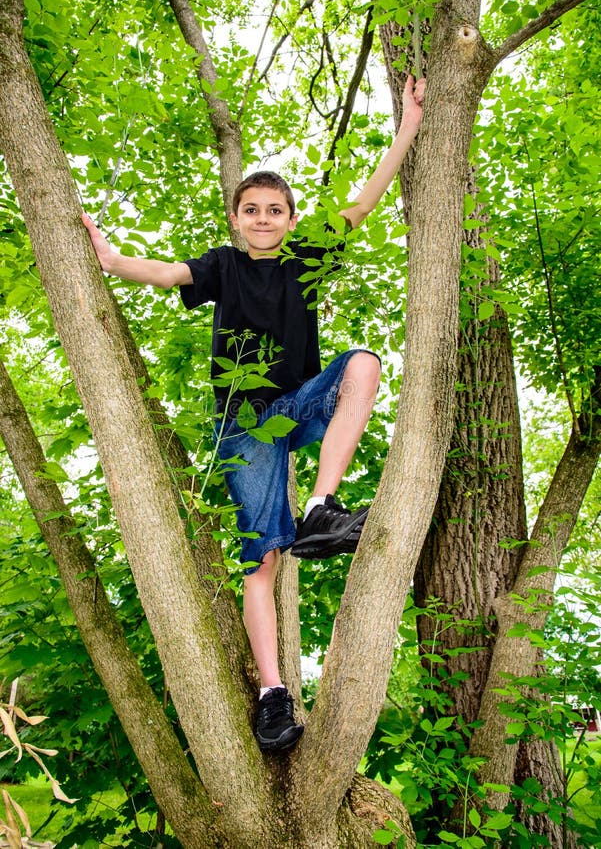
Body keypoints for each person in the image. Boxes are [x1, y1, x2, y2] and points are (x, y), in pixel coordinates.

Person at [82, 74, 425, 753]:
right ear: (234, 219)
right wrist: (104, 252)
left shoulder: (306, 258)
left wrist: (408, 127)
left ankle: (323, 505)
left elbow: (366, 199)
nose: (263, 219)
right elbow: (156, 273)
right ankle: (274, 696)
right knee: (262, 559)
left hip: (297, 405)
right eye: (252, 210)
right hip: (245, 424)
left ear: (292, 220)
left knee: (361, 364)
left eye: (275, 209)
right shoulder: (220, 268)